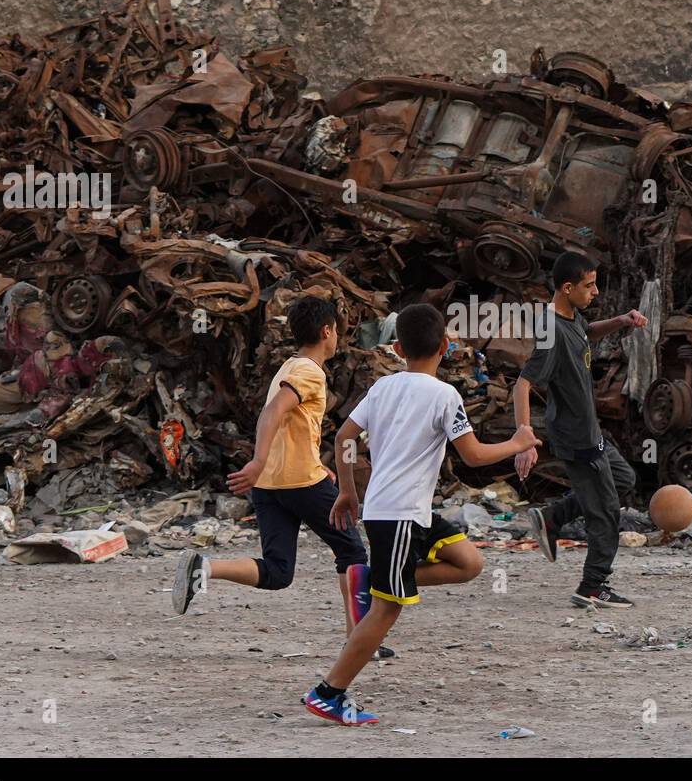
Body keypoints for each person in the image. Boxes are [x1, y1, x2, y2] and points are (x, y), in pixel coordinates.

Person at [301, 303, 540, 725]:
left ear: (396, 348)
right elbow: (475, 455)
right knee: (386, 611)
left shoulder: (381, 387)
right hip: (398, 515)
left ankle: (371, 579)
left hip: (408, 512)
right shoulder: (445, 395)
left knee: (469, 563)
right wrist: (519, 443)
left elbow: (343, 436)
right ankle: (328, 694)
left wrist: (348, 492)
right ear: (446, 347)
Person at [171, 295, 391, 656]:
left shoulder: (289, 366)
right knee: (351, 550)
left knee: (278, 571)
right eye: (337, 330)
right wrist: (258, 460)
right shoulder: (309, 371)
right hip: (299, 483)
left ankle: (204, 567)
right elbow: (273, 413)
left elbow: (290, 425)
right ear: (326, 331)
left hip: (271, 486)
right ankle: (360, 641)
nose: (338, 337)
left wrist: (301, 465)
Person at [512, 251, 647, 608]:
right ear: (567, 287)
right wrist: (524, 440)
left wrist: (621, 321)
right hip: (578, 436)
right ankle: (593, 585)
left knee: (623, 479)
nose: (596, 292)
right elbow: (522, 385)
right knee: (604, 510)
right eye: (589, 286)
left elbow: (585, 333)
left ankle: (553, 517)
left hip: (590, 430)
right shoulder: (552, 331)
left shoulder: (570, 317)